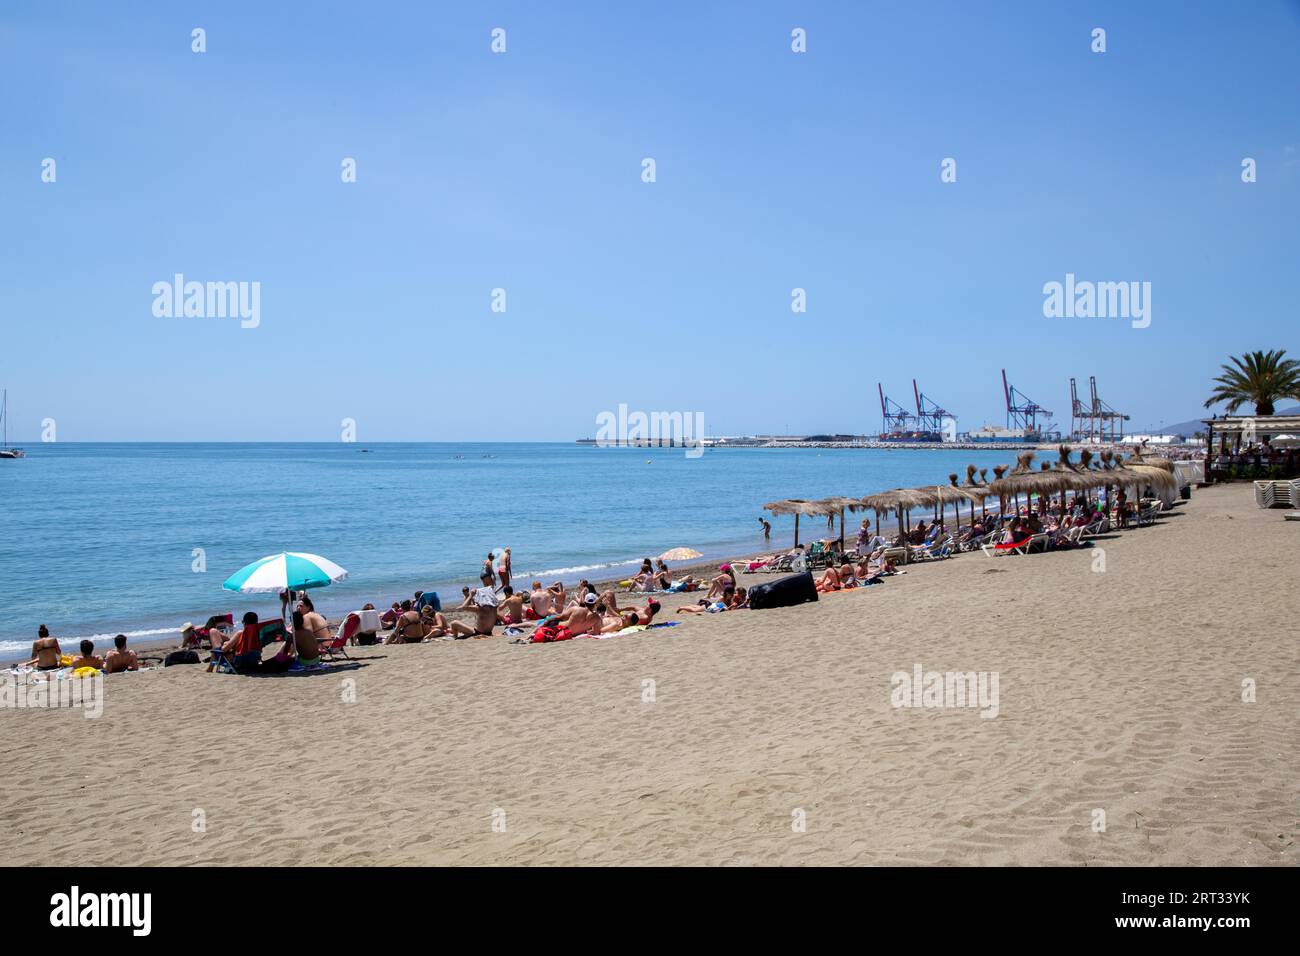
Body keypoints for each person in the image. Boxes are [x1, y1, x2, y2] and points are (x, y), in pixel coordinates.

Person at [449, 572, 500, 639]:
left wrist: (471, 595)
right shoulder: (494, 606)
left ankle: (455, 637)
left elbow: (464, 607)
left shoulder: (480, 608)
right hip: (489, 632)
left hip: (477, 632)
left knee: (453, 623)